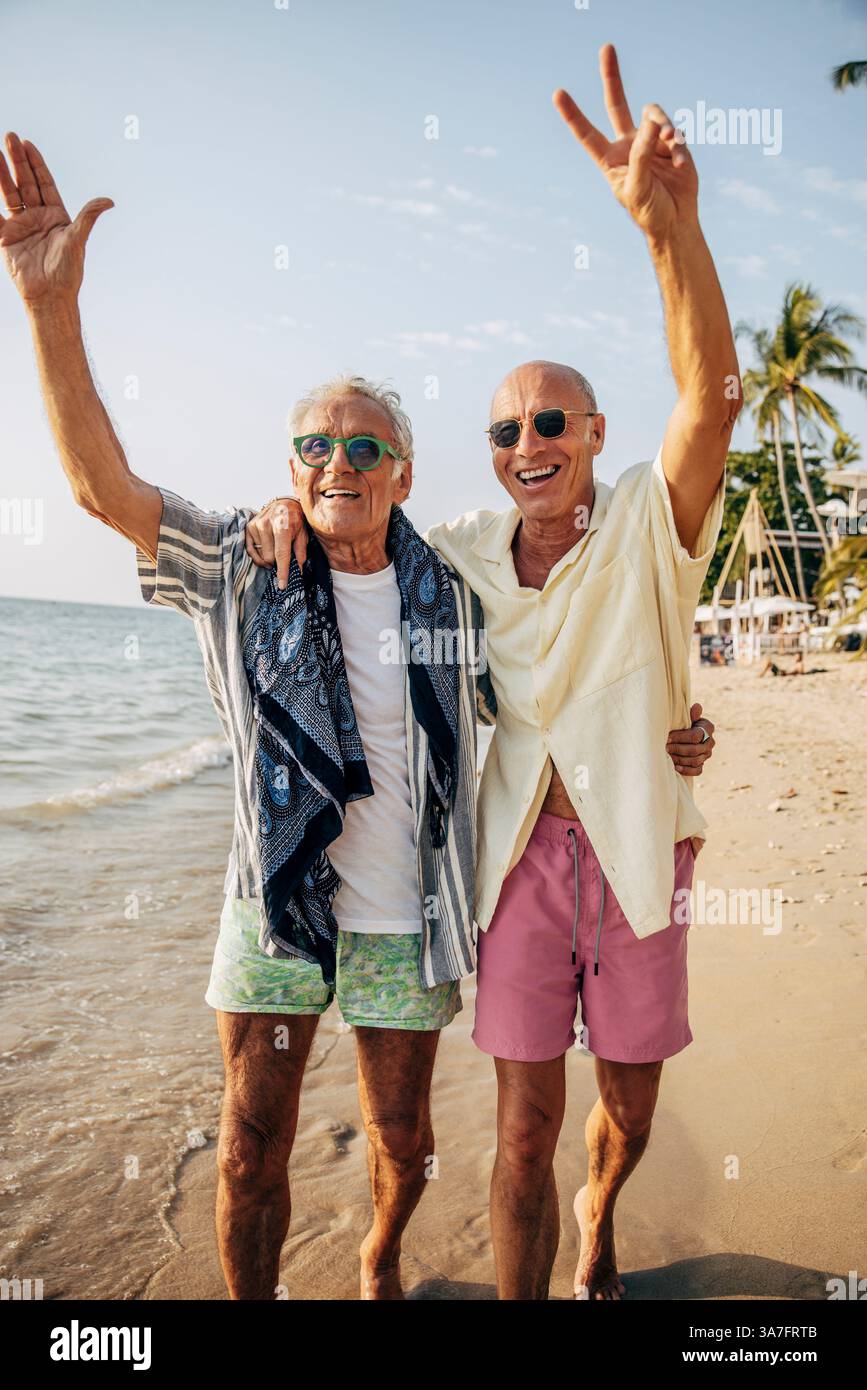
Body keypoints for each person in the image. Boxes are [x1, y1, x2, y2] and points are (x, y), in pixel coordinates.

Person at [0, 123, 712, 1302]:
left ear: (405, 471)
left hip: (406, 920)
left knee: (404, 1142)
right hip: (273, 909)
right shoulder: (244, 560)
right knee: (248, 1143)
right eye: (315, 445)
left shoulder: (456, 583)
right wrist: (48, 312)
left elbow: (573, 673)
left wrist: (687, 728)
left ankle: (380, 1256)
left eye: (365, 443)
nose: (338, 461)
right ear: (292, 468)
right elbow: (98, 488)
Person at [246, 43, 734, 1300]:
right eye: (507, 428)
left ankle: (603, 1205)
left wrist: (668, 232)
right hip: (513, 865)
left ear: (595, 437)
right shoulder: (458, 551)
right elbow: (353, 503)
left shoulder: (646, 525)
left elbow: (714, 396)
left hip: (640, 856)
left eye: (551, 422)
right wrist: (282, 507)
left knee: (623, 1104)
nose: (527, 442)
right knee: (518, 1128)